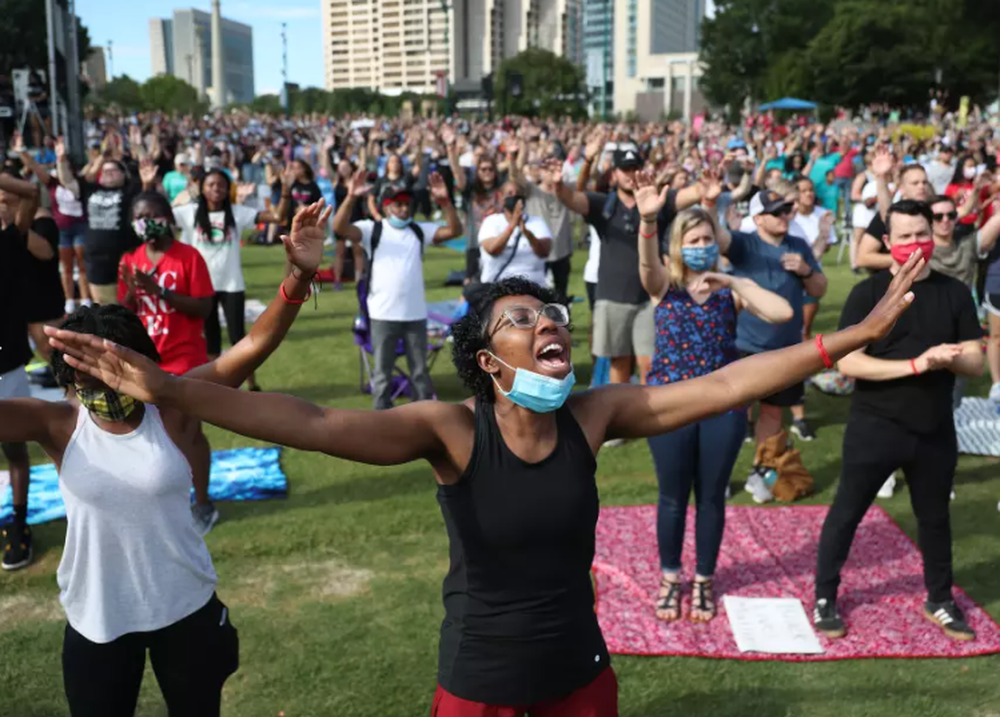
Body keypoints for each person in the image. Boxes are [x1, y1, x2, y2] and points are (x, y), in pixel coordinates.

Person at [51, 252, 924, 717]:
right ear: (483, 359)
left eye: (549, 311)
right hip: (479, 680)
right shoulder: (451, 430)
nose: (547, 321)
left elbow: (723, 386)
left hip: (580, 674)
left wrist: (851, 337)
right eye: (520, 318)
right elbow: (310, 424)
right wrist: (168, 388)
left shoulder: (593, 413)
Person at [2, 200, 328, 716]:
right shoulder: (58, 423)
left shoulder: (171, 401)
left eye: (109, 362)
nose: (96, 377)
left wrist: (297, 276)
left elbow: (250, 349)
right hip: (97, 616)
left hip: (185, 606)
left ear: (136, 359)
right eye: (82, 366)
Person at [814, 200, 983, 642]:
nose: (914, 243)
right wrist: (916, 365)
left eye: (921, 232)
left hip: (934, 428)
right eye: (904, 236)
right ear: (888, 242)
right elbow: (848, 364)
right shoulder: (868, 294)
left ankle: (940, 599)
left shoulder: (954, 292)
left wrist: (954, 358)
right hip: (876, 425)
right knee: (847, 512)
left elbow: (976, 361)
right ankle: (825, 596)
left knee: (935, 518)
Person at [634, 174, 792, 623]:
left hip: (723, 407)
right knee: (671, 497)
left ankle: (703, 580)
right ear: (678, 246)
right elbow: (647, 267)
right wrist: (648, 220)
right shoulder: (666, 286)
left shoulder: (728, 291)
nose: (701, 244)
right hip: (669, 406)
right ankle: (670, 577)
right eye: (693, 238)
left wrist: (734, 282)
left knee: (711, 499)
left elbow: (781, 313)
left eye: (707, 236)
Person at [555, 146, 708, 388]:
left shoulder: (658, 201)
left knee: (650, 365)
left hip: (650, 298)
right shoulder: (603, 204)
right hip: (613, 296)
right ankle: (625, 422)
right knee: (619, 366)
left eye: (635, 168)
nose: (630, 174)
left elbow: (692, 193)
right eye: (624, 169)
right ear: (614, 174)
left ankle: (649, 422)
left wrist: (705, 185)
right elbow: (570, 198)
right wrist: (558, 185)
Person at [118, 191, 220, 534]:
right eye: (139, 215)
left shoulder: (188, 257)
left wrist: (157, 289)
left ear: (166, 217)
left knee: (183, 435)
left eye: (152, 214)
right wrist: (133, 292)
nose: (145, 221)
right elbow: (125, 315)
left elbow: (204, 308)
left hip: (186, 359)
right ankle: (173, 502)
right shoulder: (130, 259)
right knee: (152, 439)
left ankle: (201, 503)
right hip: (146, 363)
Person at [717, 189, 827, 475]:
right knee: (733, 415)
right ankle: (721, 475)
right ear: (758, 218)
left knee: (773, 411)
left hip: (785, 347)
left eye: (786, 210)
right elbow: (720, 237)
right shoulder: (743, 243)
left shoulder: (798, 245)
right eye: (776, 212)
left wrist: (805, 271)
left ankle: (762, 471)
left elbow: (819, 289)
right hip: (742, 344)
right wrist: (712, 200)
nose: (784, 216)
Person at [332, 170, 462, 410]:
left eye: (407, 204)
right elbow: (340, 228)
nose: (404, 209)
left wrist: (445, 203)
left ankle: (424, 420)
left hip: (415, 315)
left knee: (420, 374)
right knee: (381, 375)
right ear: (387, 206)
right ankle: (382, 424)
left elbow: (455, 231)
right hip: (383, 315)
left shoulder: (419, 230)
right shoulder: (373, 229)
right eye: (398, 204)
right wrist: (350, 197)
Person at [174, 168, 291, 392]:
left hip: (231, 284)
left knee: (239, 339)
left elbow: (277, 217)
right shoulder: (189, 212)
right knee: (211, 341)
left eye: (220, 185)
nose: (216, 189)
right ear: (202, 188)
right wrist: (148, 185)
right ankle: (213, 386)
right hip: (202, 286)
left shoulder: (237, 213)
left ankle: (252, 385)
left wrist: (284, 191)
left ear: (228, 189)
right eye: (210, 185)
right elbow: (158, 215)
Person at [0, 171, 40, 570]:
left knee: (15, 447)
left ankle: (19, 522)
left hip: (6, 363)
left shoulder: (11, 239)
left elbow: (32, 191)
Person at [67, 157, 158, 304]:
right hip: (97, 262)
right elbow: (67, 181)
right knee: (105, 311)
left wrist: (147, 184)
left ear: (124, 174)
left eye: (113, 170)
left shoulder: (131, 190)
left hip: (126, 260)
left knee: (130, 309)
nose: (108, 173)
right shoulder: (91, 190)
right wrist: (61, 159)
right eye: (105, 170)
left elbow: (145, 206)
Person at [17, 137, 90, 314]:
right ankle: (69, 300)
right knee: (65, 266)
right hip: (62, 230)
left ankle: (86, 299)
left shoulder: (79, 182)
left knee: (82, 265)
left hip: (80, 227)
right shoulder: (52, 184)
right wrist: (21, 151)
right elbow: (35, 167)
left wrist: (61, 158)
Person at [447, 127, 505, 282]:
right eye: (483, 169)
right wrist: (451, 150)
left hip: (497, 243)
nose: (487, 172)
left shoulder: (502, 190)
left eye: (490, 169)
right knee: (471, 285)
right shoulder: (471, 190)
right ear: (477, 171)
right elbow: (458, 175)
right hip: (475, 244)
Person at [478, 182, 552, 286]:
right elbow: (493, 249)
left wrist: (527, 234)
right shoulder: (491, 222)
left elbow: (544, 252)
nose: (514, 197)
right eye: (510, 194)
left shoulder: (537, 222)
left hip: (533, 285)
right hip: (498, 285)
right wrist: (513, 225)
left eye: (518, 194)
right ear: (500, 197)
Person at [793, 177, 837, 339]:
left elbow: (828, 244)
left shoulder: (822, 214)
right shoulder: (788, 215)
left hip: (812, 274)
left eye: (811, 190)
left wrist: (820, 240)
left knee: (805, 328)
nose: (809, 194)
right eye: (803, 191)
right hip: (789, 274)